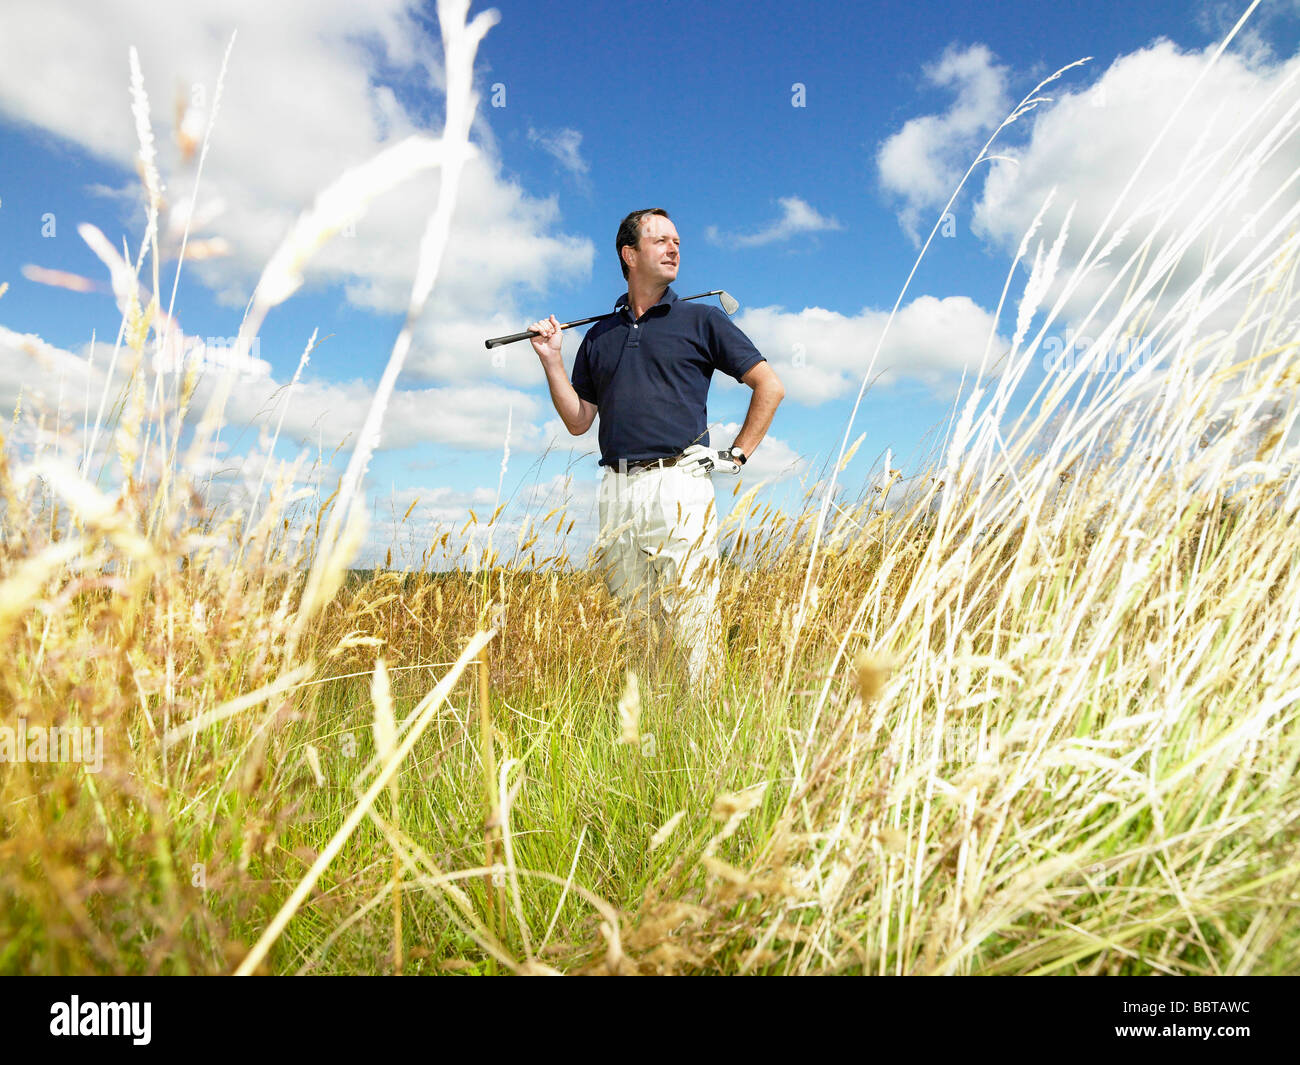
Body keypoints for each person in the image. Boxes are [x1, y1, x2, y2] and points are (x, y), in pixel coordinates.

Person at [529, 208, 785, 690]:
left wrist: (736, 455)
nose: (673, 249)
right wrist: (552, 360)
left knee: (693, 625)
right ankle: (651, 740)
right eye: (660, 241)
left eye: (678, 242)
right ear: (629, 254)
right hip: (617, 491)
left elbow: (768, 385)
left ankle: (704, 747)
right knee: (637, 630)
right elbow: (579, 421)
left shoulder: (701, 319)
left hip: (679, 485)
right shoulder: (600, 336)